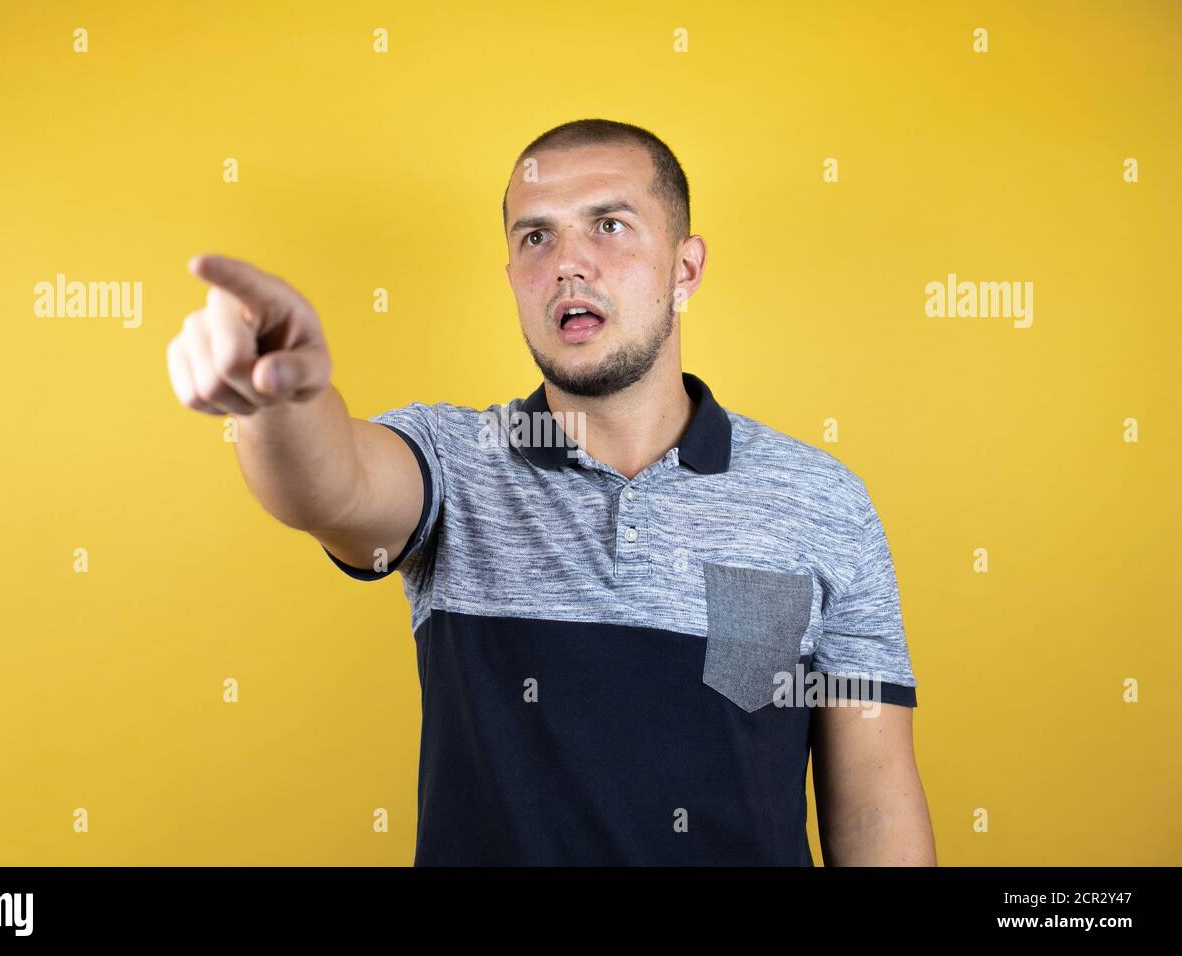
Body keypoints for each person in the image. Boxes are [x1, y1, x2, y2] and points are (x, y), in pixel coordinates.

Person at [166, 118, 936, 866]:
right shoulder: (458, 462)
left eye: (609, 225)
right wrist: (274, 399)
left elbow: (873, 804)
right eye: (537, 237)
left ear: (685, 268)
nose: (569, 263)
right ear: (512, 278)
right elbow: (331, 487)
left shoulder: (822, 501)